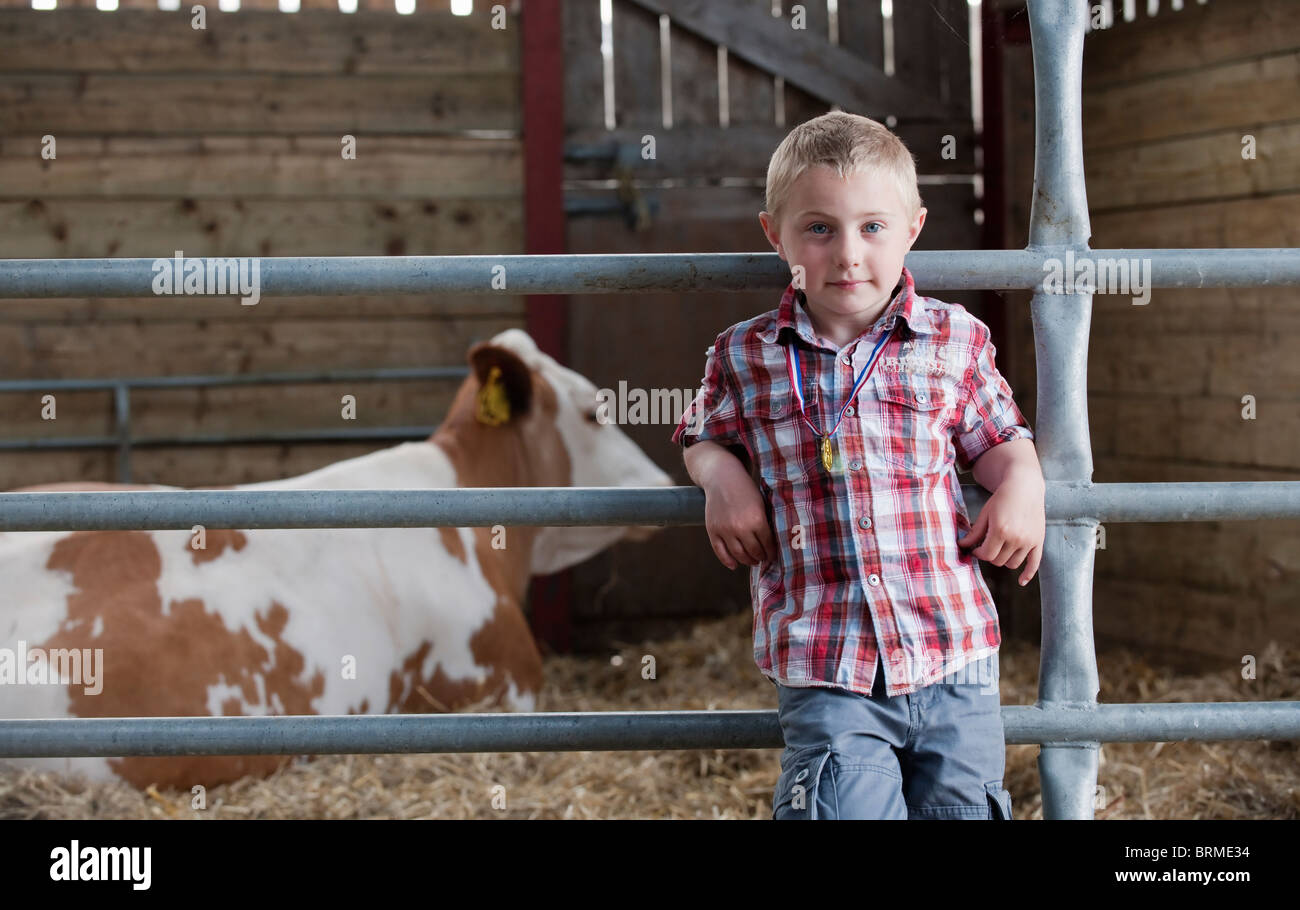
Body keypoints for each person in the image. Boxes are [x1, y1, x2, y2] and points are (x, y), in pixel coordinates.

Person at [671, 111, 1046, 819]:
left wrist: (1023, 481)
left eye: (873, 227)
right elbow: (702, 432)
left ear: (913, 227)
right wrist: (721, 478)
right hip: (827, 663)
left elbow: (998, 436)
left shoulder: (955, 339)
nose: (848, 254)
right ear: (773, 234)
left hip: (952, 653)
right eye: (819, 228)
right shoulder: (745, 355)